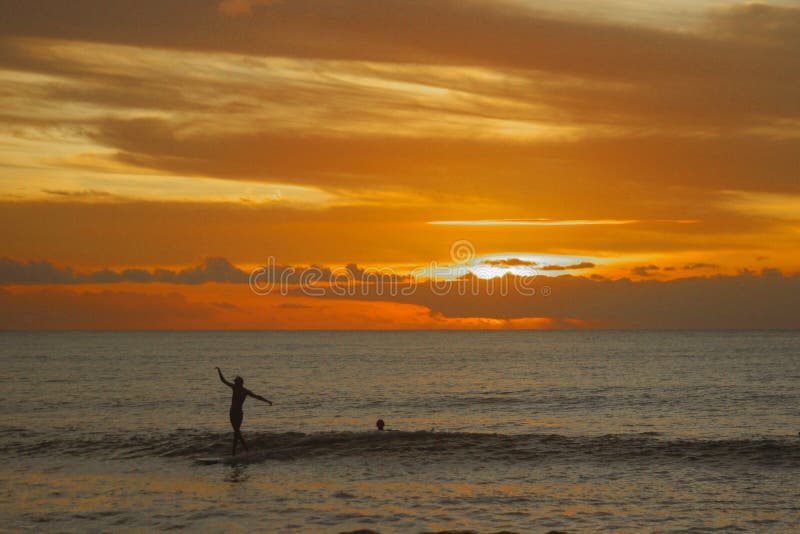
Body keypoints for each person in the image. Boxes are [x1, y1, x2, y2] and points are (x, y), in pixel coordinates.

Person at [216, 367, 272, 456]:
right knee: (236, 432)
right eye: (234, 382)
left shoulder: (245, 391)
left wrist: (267, 401)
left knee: (236, 432)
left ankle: (242, 452)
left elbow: (257, 396)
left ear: (240, 383)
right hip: (232, 412)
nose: (234, 383)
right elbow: (223, 380)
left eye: (236, 381)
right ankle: (240, 452)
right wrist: (219, 371)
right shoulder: (234, 387)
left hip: (239, 413)